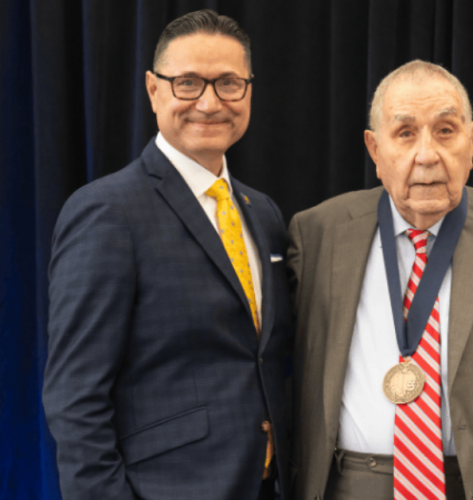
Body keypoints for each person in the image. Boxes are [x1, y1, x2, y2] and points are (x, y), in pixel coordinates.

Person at [288, 60, 473, 500]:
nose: (427, 154)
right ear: (375, 150)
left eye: (446, 131)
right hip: (351, 484)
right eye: (405, 133)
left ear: (472, 141)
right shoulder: (316, 234)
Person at [43, 10, 292, 500]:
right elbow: (75, 398)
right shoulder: (106, 211)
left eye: (228, 83)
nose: (209, 101)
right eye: (188, 83)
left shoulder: (261, 212)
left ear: (249, 91)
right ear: (154, 90)